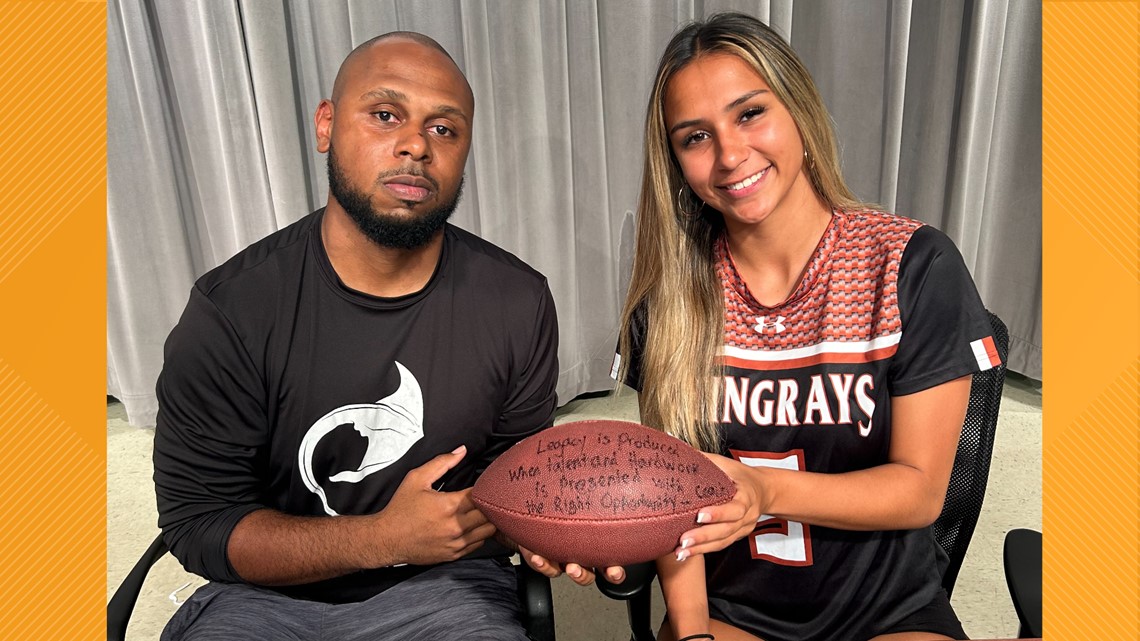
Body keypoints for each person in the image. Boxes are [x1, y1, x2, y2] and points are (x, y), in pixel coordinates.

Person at [153, 32, 606, 641]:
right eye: (386, 115)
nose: (416, 144)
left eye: (445, 129)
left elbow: (511, 483)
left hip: (446, 591)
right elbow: (200, 522)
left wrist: (553, 524)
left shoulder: (516, 301)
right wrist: (383, 539)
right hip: (264, 600)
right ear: (326, 126)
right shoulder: (232, 310)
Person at [614, 13, 1001, 641]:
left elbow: (922, 492)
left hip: (887, 612)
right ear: (675, 161)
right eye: (695, 137)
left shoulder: (911, 265)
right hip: (733, 613)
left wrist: (765, 491)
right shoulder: (669, 304)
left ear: (798, 108)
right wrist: (691, 631)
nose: (730, 154)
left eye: (749, 114)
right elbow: (675, 498)